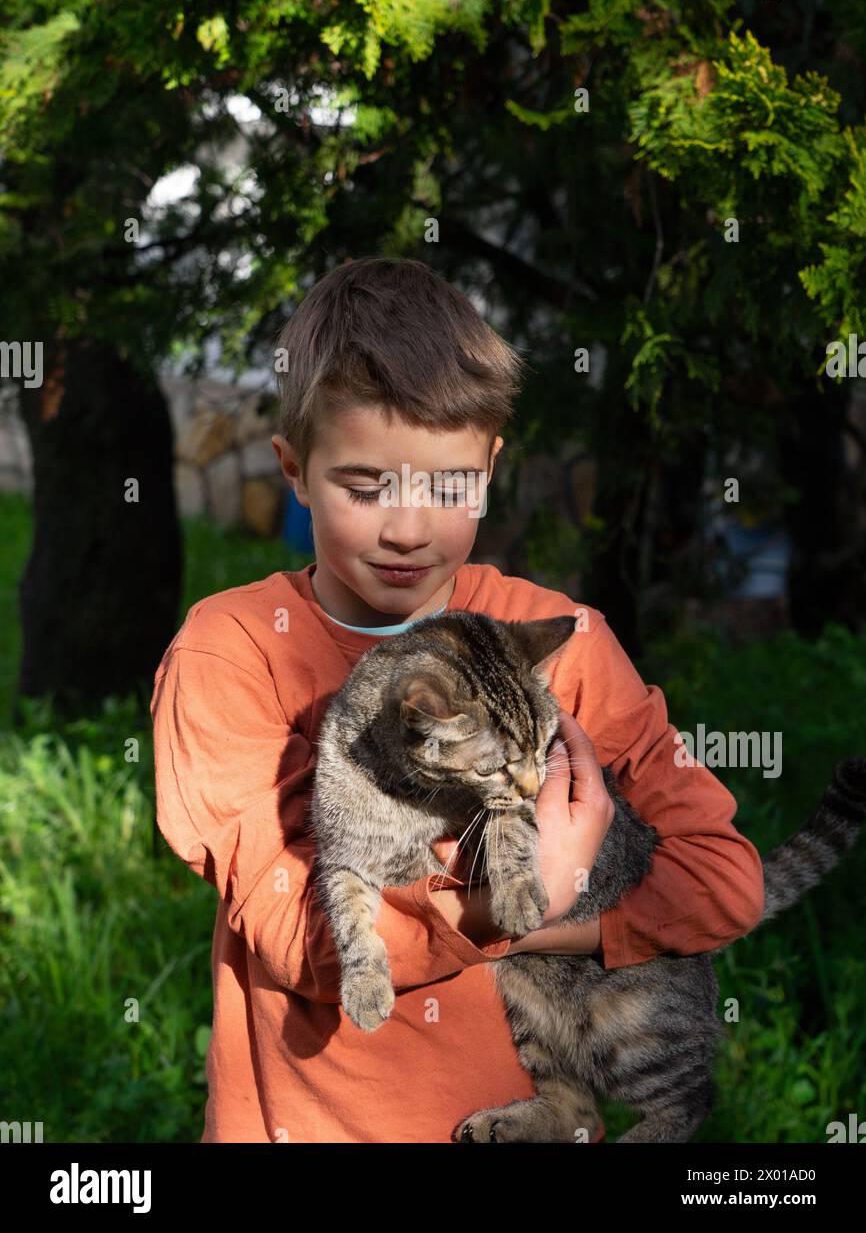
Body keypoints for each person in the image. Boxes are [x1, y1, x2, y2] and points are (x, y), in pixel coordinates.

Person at [151, 256, 765, 1144]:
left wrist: (554, 898)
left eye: (450, 487)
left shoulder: (560, 638)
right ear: (292, 468)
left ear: (492, 465)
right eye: (364, 488)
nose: (408, 528)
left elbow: (724, 883)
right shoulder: (232, 650)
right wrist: (523, 899)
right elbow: (299, 938)